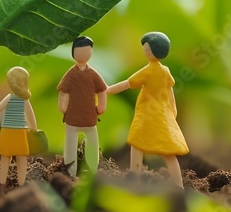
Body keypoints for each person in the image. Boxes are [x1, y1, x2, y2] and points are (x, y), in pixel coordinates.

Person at [108, 32, 188, 188]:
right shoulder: (165, 70)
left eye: (148, 49)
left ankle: (135, 178)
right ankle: (178, 184)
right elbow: (170, 89)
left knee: (137, 144)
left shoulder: (148, 70)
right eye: (145, 48)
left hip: (148, 113)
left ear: (155, 51)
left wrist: (108, 89)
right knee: (168, 149)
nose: (145, 51)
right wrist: (173, 109)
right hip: (163, 113)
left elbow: (127, 83)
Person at [0, 66, 39, 189]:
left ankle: (11, 182)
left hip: (14, 131)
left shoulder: (21, 100)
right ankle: (7, 182)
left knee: (12, 157)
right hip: (13, 131)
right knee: (12, 156)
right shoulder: (16, 99)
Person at [57, 36, 107, 176]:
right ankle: (70, 172)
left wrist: (101, 107)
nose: (84, 54)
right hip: (72, 117)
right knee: (70, 145)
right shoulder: (71, 74)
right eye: (80, 51)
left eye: (87, 50)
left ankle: (92, 171)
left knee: (92, 142)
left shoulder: (93, 75)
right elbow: (63, 92)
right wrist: (63, 107)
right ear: (73, 53)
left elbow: (102, 90)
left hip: (90, 116)